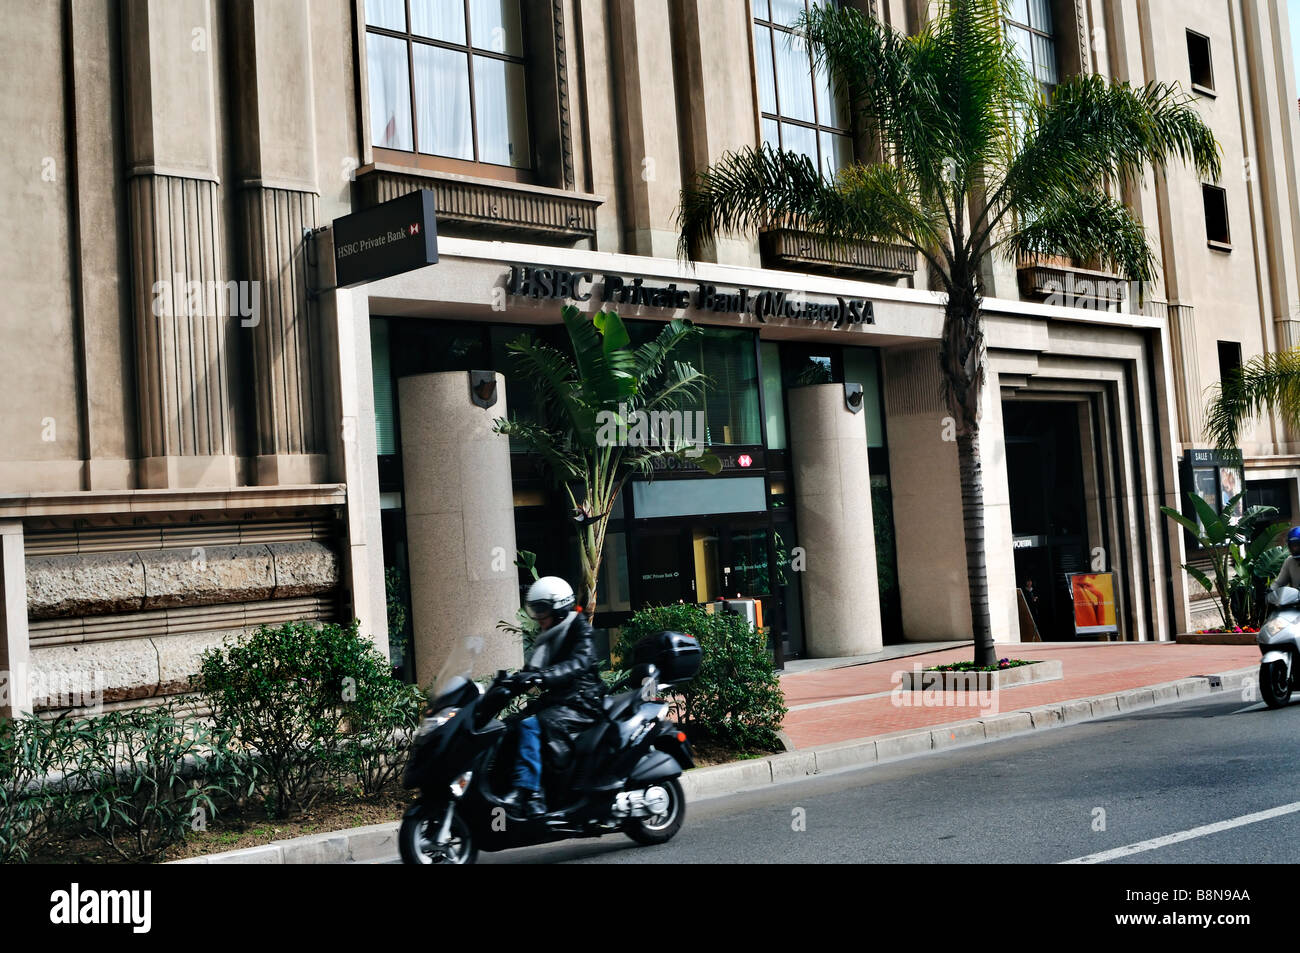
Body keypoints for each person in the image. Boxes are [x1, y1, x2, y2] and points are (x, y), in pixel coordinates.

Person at [505, 576, 605, 819]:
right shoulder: (547, 636)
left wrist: (545, 676)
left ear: (559, 609)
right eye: (536, 610)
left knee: (532, 725)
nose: (538, 617)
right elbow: (532, 671)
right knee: (510, 725)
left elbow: (579, 663)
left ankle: (532, 793)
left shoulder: (579, 628)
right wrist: (507, 683)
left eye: (542, 610)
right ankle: (509, 784)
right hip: (562, 699)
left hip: (583, 699)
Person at [1271, 527, 1300, 592]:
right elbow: (1279, 582)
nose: (1295, 549)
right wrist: (1270, 590)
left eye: (1298, 545)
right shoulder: (1289, 561)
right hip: (1295, 600)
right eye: (1293, 545)